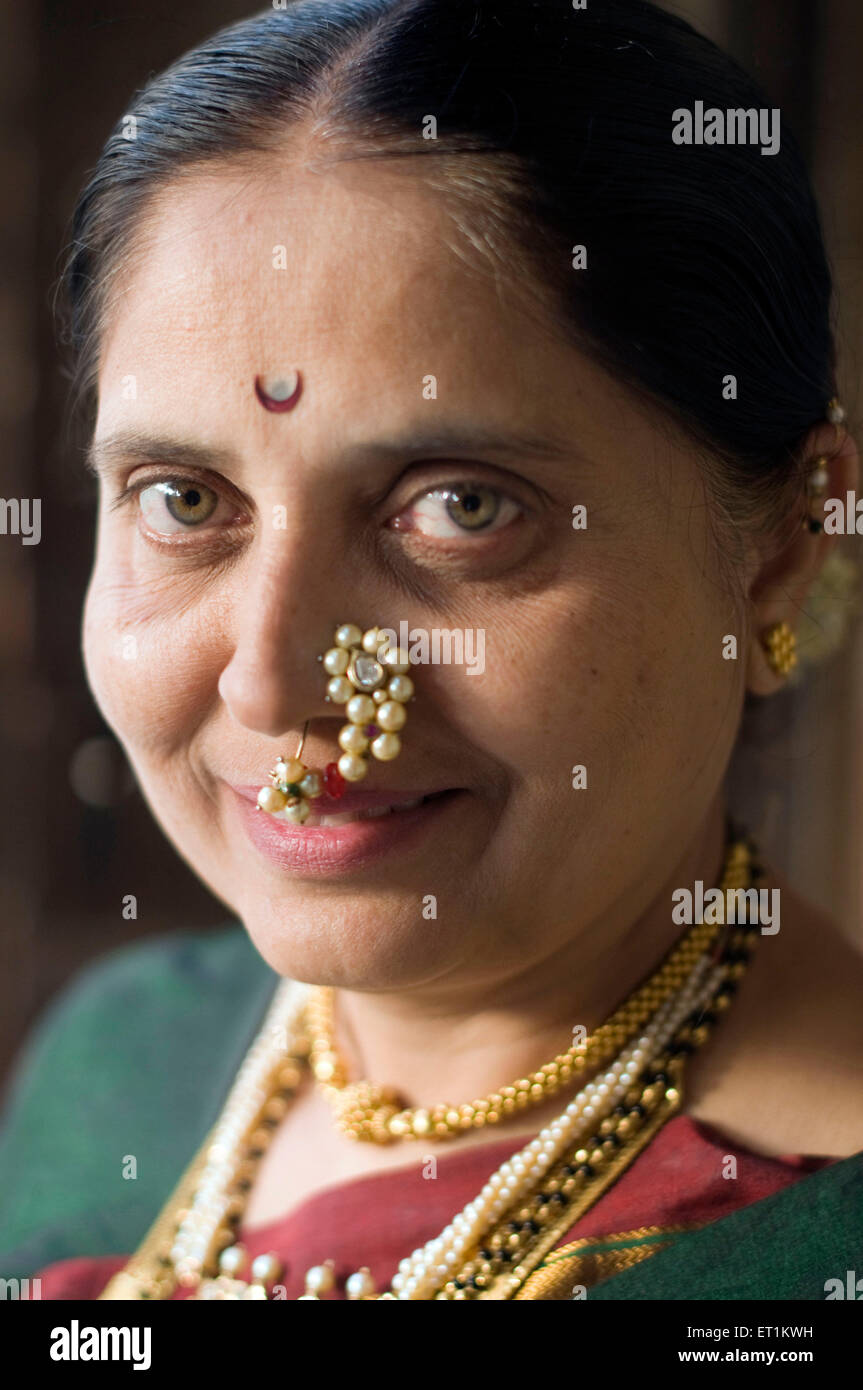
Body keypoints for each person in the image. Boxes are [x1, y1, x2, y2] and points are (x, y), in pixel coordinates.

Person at [1, 0, 861, 1301]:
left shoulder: (808, 1251)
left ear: (789, 543)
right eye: (184, 499)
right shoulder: (125, 1059)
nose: (273, 682)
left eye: (462, 507)